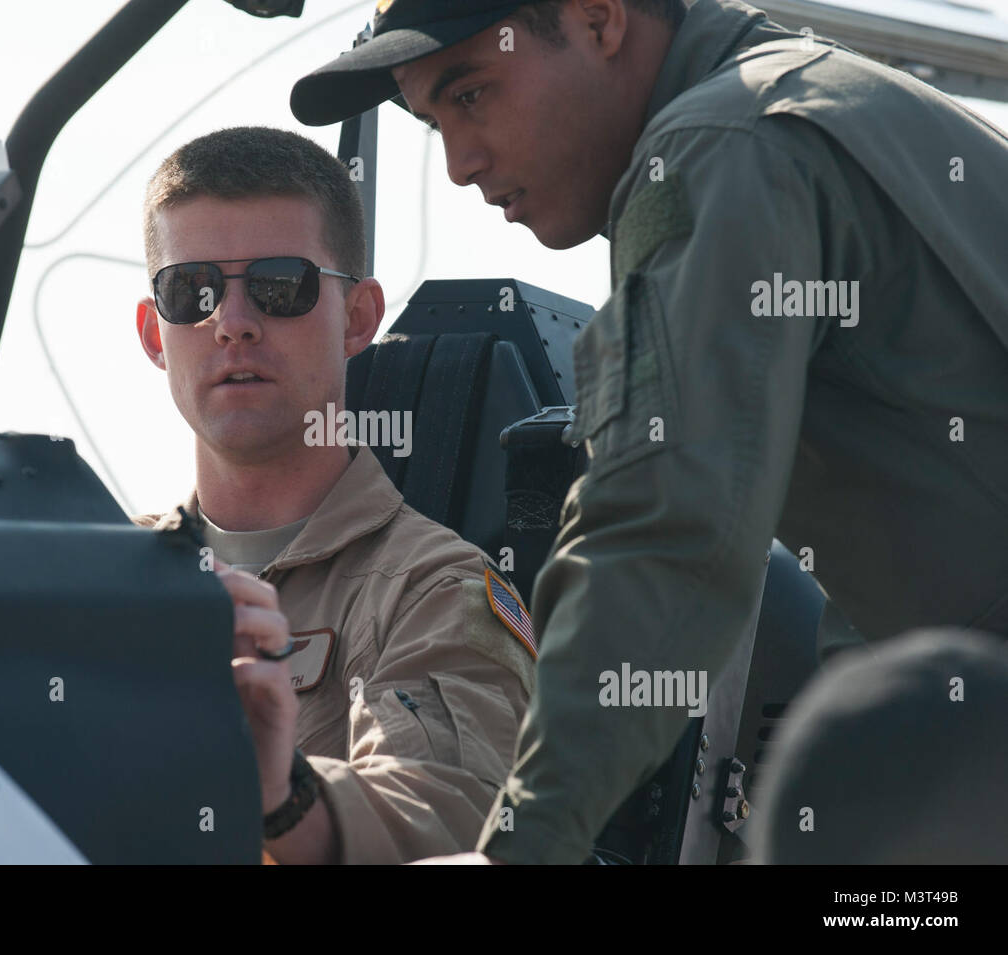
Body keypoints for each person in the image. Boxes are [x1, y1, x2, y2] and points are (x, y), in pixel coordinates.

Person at [289, 0, 1008, 863]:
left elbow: (664, 533)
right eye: (430, 120)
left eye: (472, 93)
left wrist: (522, 846)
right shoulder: (810, 101)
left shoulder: (722, 149)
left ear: (598, 19)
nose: (459, 163)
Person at [131, 125, 536, 864]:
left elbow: (456, 820)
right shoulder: (97, 579)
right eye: (192, 291)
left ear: (359, 317)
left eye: (281, 286)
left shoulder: (432, 591)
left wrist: (277, 789)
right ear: (155, 334)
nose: (233, 322)